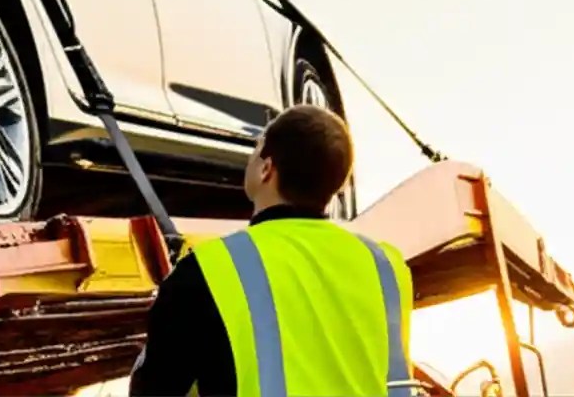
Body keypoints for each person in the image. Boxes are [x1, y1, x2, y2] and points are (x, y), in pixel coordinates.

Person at [129, 104, 414, 396]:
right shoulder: (385, 266)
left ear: (266, 168)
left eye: (256, 148)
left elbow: (154, 389)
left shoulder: (208, 269)